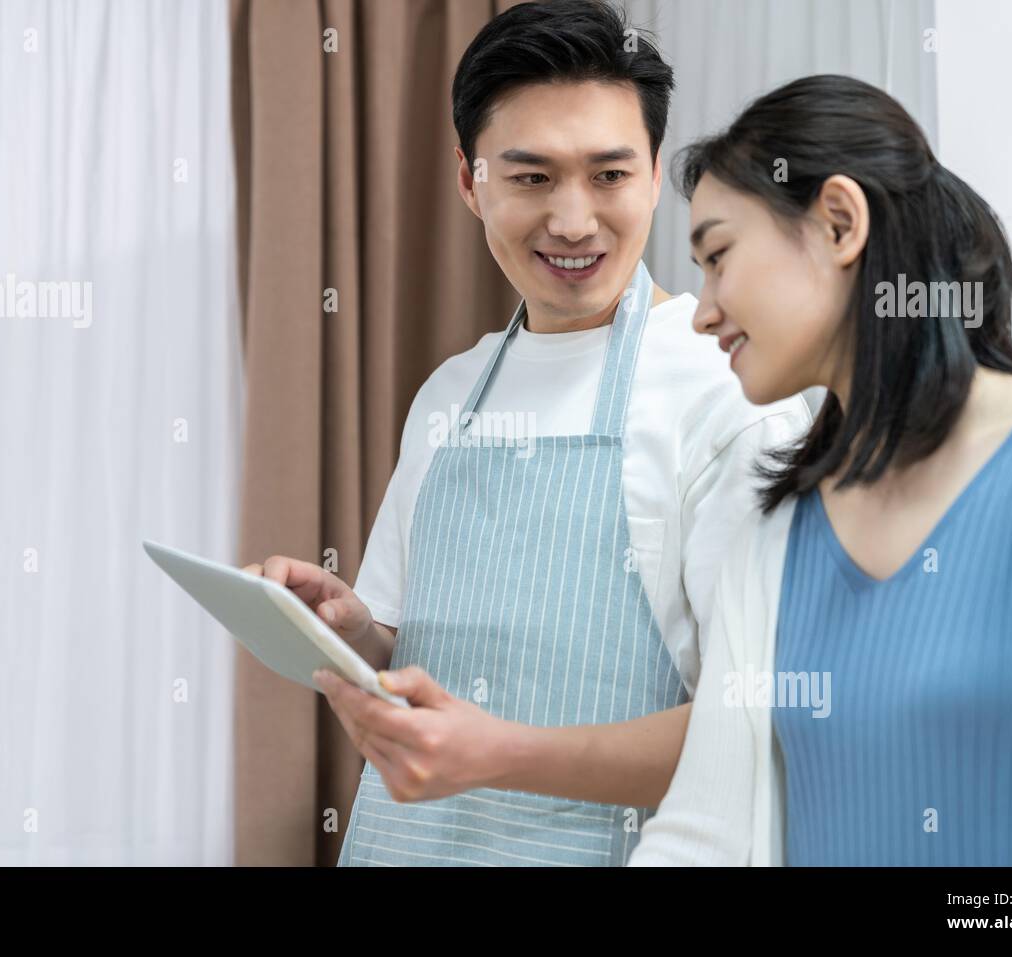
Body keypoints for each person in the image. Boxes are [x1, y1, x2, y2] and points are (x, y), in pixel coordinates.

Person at [249, 0, 809, 867]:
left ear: (657, 174)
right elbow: (408, 655)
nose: (575, 220)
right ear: (470, 183)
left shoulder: (728, 392)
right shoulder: (452, 394)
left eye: (610, 175)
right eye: (532, 177)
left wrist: (503, 754)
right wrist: (350, 631)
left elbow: (755, 728)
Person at [630, 74, 1012, 866]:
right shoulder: (774, 536)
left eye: (718, 257)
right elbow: (701, 838)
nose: (703, 309)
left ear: (838, 222)